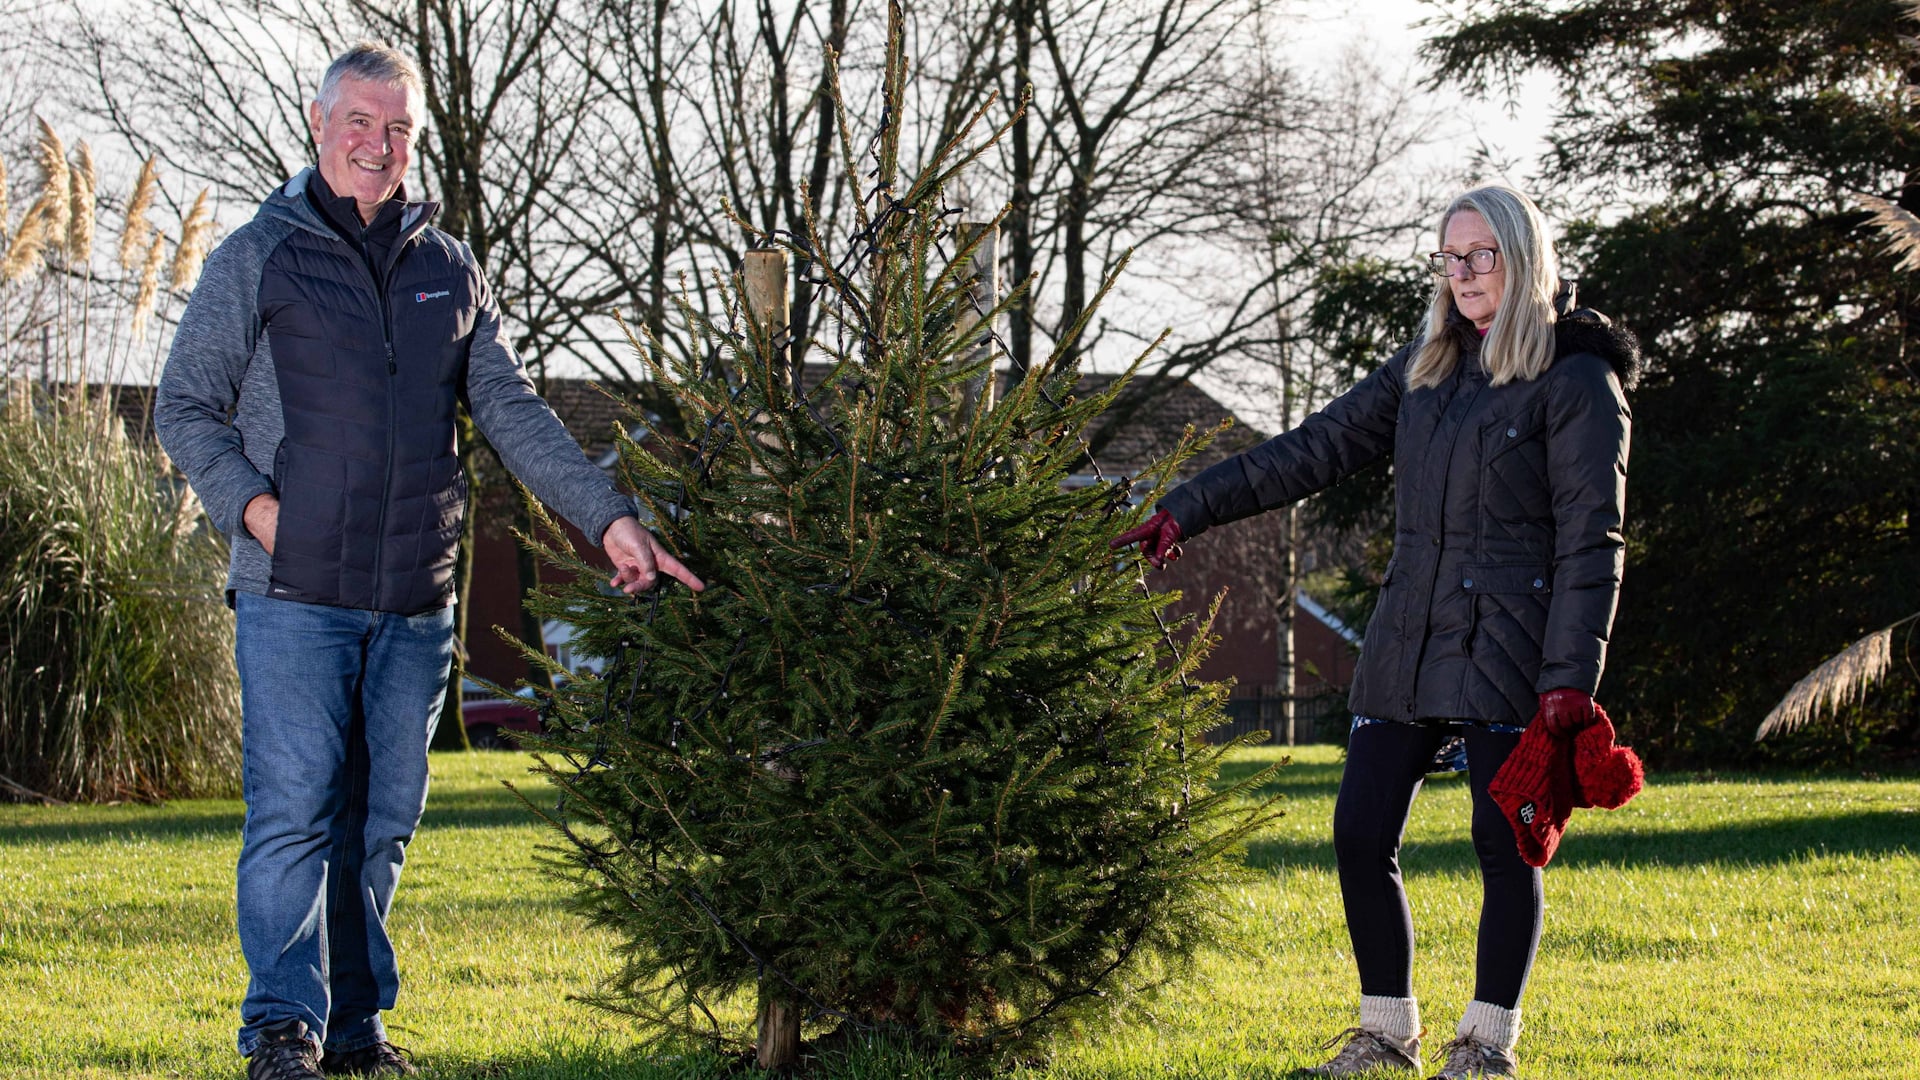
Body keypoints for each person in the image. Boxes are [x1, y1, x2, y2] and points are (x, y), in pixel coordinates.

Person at [154, 42, 705, 1080]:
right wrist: (258, 512)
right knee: (295, 815)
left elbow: (511, 410)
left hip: (415, 602)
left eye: (399, 128)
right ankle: (281, 1029)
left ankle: (354, 1030)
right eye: (360, 123)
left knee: (382, 826)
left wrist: (609, 521)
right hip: (293, 595)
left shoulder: (448, 268)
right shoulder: (256, 256)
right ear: (319, 125)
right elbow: (182, 408)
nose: (379, 145)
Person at [1112, 185, 1638, 1079]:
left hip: (1514, 646)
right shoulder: (1425, 369)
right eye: (1450, 257)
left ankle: (1487, 1046)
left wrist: (1568, 680)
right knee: (1359, 832)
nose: (1464, 273)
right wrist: (1186, 508)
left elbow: (1594, 540)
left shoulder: (1577, 380)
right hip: (1409, 637)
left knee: (1505, 844)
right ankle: (1386, 1035)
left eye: (1483, 254)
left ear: (1524, 257)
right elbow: (1308, 450)